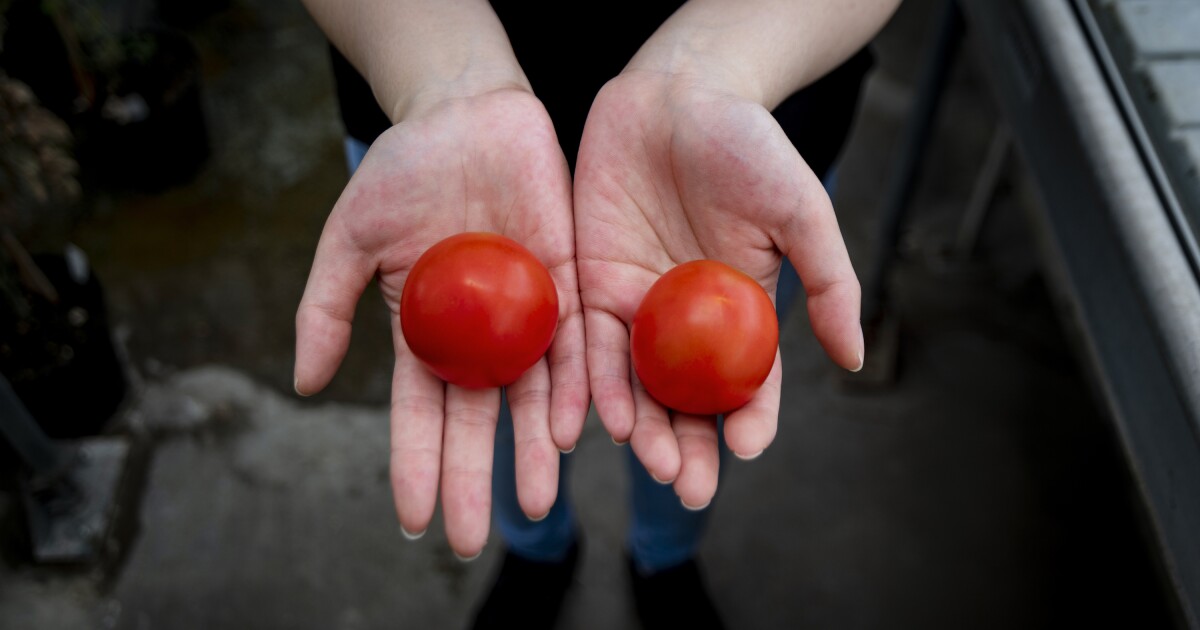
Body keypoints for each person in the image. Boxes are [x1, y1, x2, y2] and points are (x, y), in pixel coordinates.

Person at [294, 1, 900, 627]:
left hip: (731, 169)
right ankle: (536, 550)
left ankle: (664, 559)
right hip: (438, 141)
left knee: (687, 426)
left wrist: (711, 74)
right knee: (504, 413)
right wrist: (442, 76)